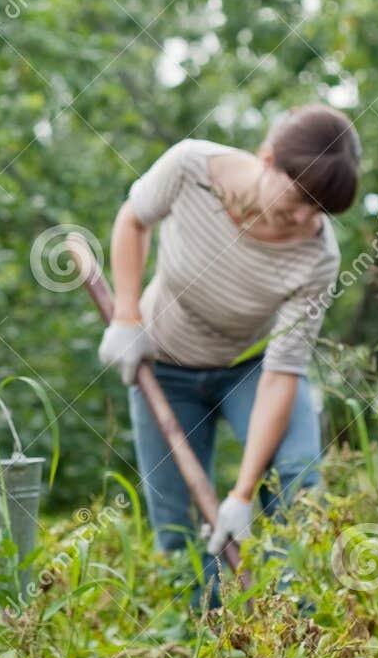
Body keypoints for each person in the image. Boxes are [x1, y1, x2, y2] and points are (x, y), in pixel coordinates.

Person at [97, 105, 361, 590]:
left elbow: (283, 372)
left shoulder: (317, 256)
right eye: (299, 196)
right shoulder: (190, 167)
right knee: (175, 528)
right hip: (165, 366)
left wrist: (241, 494)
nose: (303, 217)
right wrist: (127, 316)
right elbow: (133, 220)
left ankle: (294, 621)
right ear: (267, 158)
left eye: (317, 209)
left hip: (251, 369)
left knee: (295, 477)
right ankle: (202, 638)